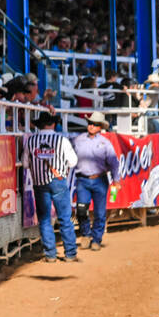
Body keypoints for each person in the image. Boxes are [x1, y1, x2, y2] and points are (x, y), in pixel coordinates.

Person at [24, 111, 80, 263]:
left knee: (44, 219)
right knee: (65, 218)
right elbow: (73, 162)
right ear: (53, 124)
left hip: (39, 184)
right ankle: (70, 253)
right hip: (58, 181)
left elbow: (25, 164)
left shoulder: (31, 141)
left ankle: (50, 254)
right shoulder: (62, 140)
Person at [72, 111, 120, 250]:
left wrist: (116, 179)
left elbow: (113, 162)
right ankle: (86, 234)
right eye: (90, 123)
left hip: (99, 179)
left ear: (100, 127)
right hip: (83, 179)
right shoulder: (78, 140)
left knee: (99, 212)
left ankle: (96, 239)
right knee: (81, 209)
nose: (91, 126)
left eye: (95, 124)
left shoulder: (105, 143)